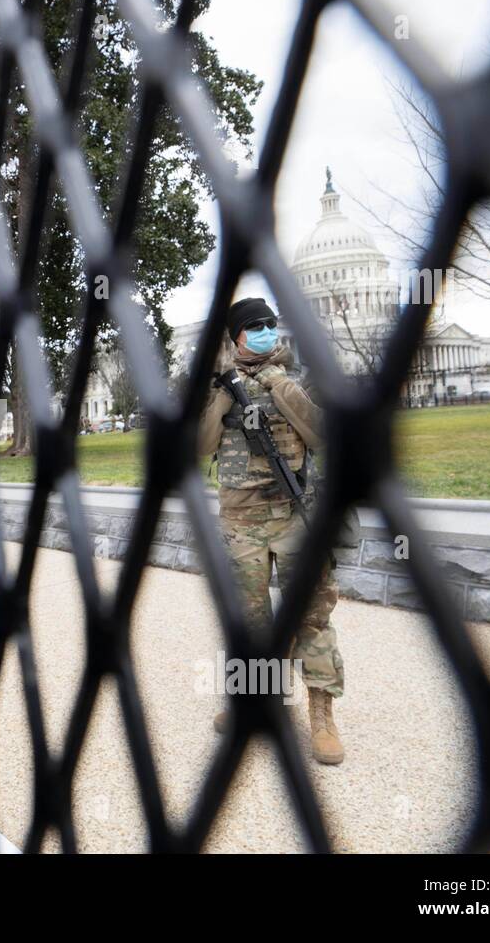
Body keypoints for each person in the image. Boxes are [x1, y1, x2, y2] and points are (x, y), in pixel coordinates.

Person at [198, 297, 346, 765]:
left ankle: (322, 717)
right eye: (254, 326)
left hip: (296, 516)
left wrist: (279, 384)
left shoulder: (299, 376)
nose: (265, 331)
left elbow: (321, 434)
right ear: (236, 336)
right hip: (241, 522)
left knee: (311, 617)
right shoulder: (217, 384)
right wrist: (224, 394)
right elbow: (199, 446)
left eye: (270, 324)